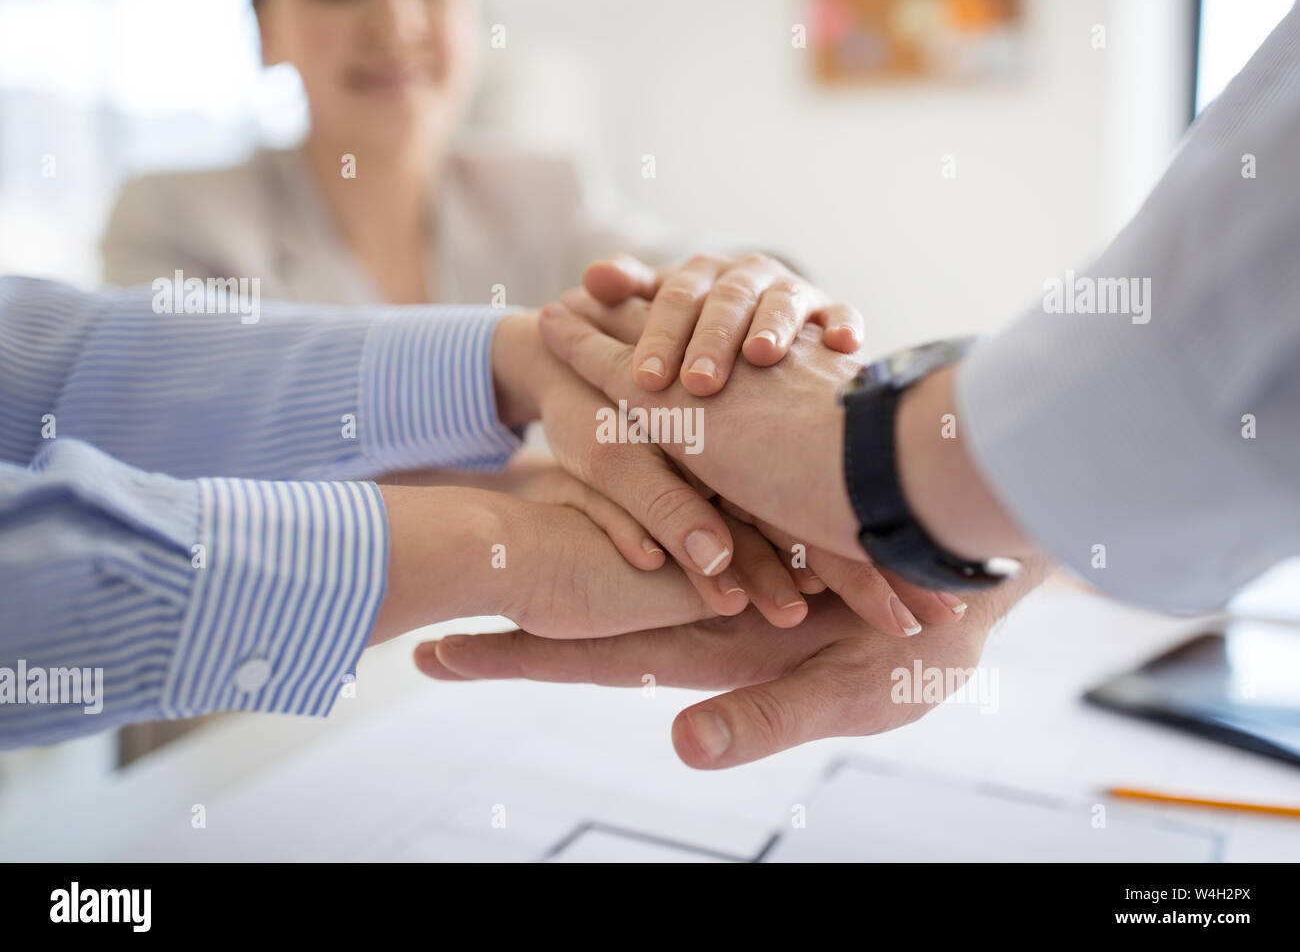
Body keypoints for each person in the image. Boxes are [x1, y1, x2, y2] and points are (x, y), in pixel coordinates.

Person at [414, 1, 1300, 768]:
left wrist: (745, 303)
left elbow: (663, 283)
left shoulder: (539, 185)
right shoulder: (267, 252)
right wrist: (872, 470)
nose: (392, 23)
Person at [0, 269, 942, 750]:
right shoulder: (186, 205)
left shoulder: (534, 181)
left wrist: (733, 318)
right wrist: (495, 545)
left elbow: (53, 360)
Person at [100, 0, 685, 308]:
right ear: (266, 31)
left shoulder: (552, 192)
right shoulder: (172, 218)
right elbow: (205, 427)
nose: (397, 23)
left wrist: (745, 284)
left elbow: (681, 275)